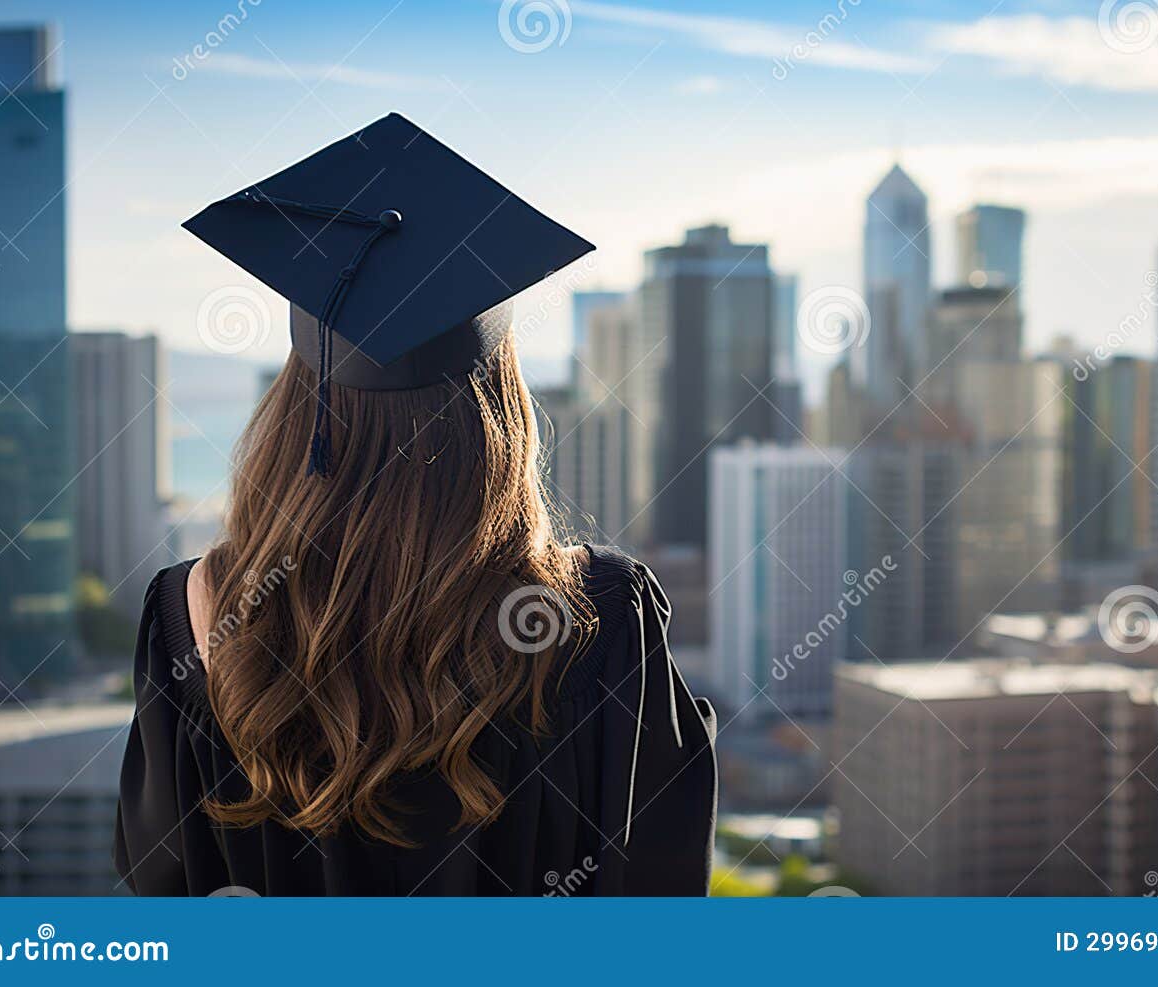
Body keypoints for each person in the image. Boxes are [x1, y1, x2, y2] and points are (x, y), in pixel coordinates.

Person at [113, 113, 717, 896]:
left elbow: (160, 874)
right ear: (499, 409)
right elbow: (662, 886)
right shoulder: (601, 611)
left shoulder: (195, 610)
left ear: (300, 412)